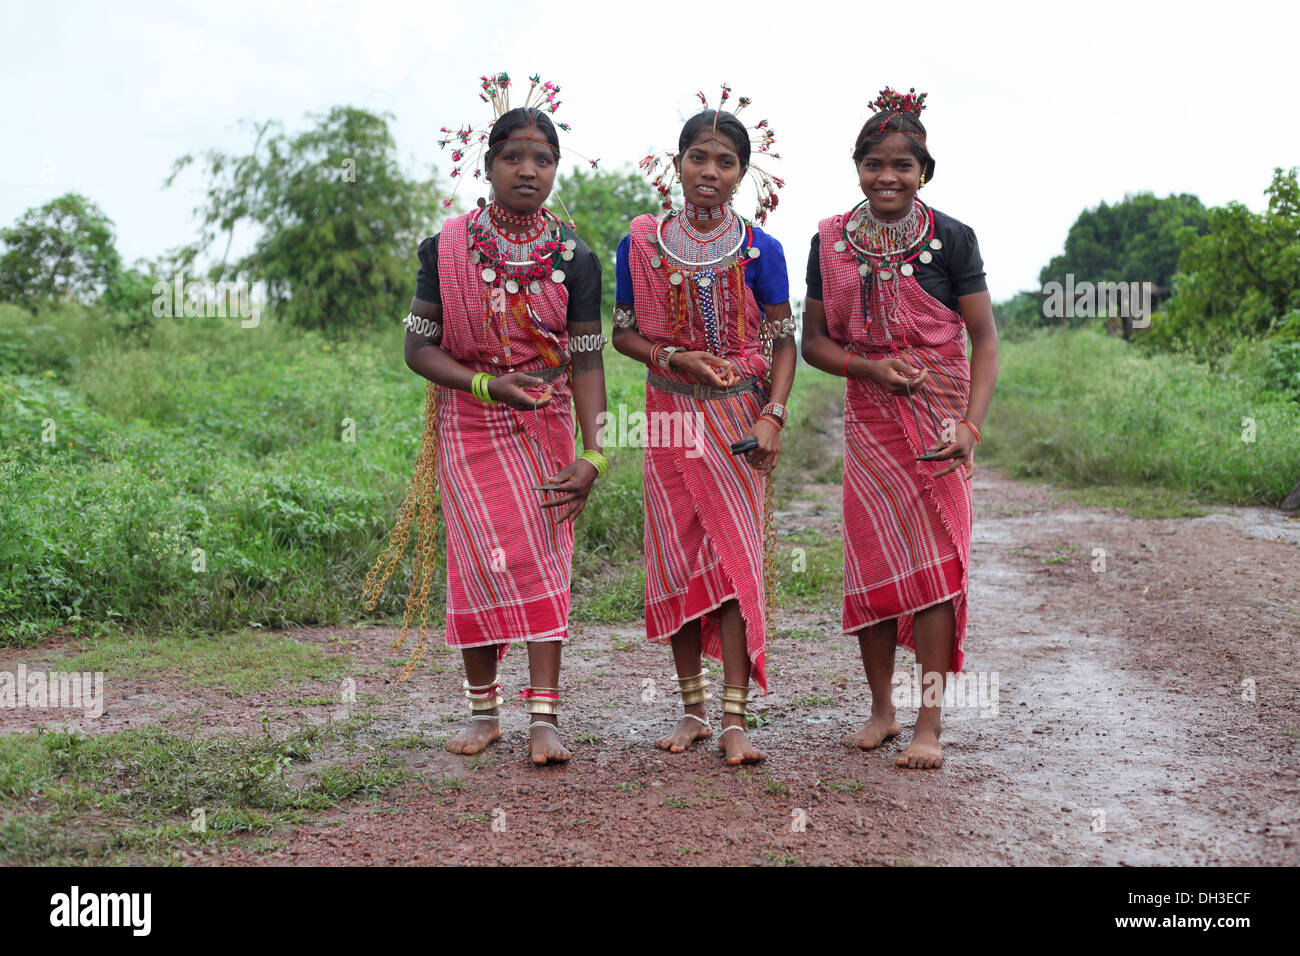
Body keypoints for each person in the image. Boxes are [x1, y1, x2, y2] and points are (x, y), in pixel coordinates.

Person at [363, 74, 609, 766]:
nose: (529, 170)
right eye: (514, 158)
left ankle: (544, 720)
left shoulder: (576, 258)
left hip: (548, 425)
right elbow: (418, 349)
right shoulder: (444, 249)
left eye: (543, 159)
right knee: (475, 558)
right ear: (488, 164)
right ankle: (483, 712)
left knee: (542, 559)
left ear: (556, 169)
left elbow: (588, 364)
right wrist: (486, 384)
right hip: (470, 421)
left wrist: (598, 454)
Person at [799, 87, 998, 769]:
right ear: (857, 166)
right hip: (872, 422)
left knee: (940, 571)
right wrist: (871, 370)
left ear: (924, 173)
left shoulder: (954, 239)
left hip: (941, 424)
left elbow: (984, 339)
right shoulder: (830, 240)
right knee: (876, 563)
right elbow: (813, 344)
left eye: (903, 166)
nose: (888, 177)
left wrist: (971, 426)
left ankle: (929, 726)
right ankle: (882, 711)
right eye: (874, 163)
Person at [612, 93, 796, 766]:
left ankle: (734, 719)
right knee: (676, 557)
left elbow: (783, 342)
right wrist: (673, 357)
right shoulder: (644, 244)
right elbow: (623, 335)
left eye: (724, 161)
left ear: (743, 173)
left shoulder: (760, 249)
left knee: (730, 560)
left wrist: (773, 414)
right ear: (677, 164)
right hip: (667, 416)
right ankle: (691, 712)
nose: (709, 171)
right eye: (698, 157)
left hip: (736, 421)